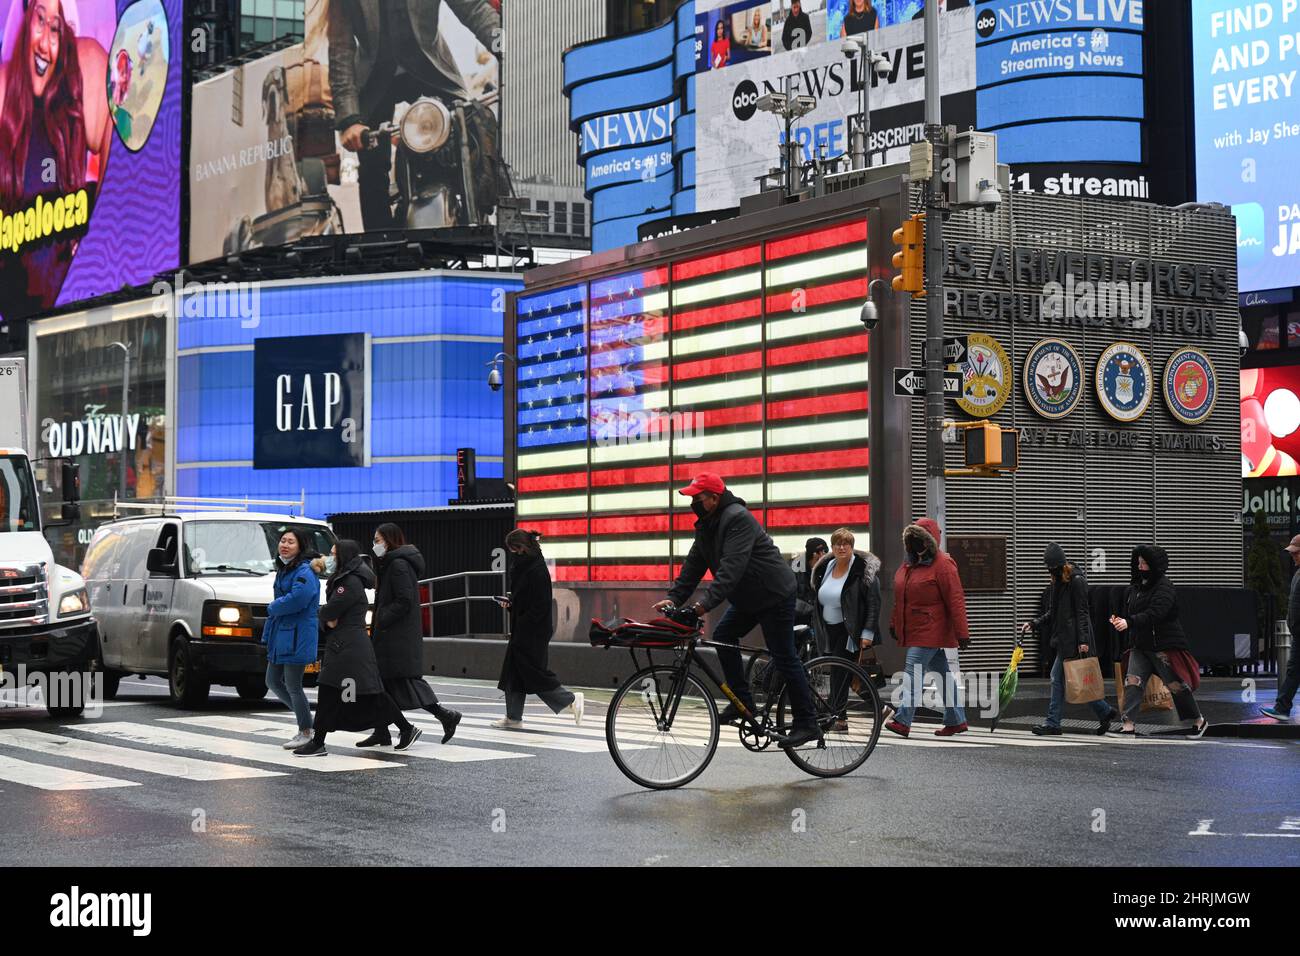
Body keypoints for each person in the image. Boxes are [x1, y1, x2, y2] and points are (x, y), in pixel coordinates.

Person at [655, 473, 822, 748]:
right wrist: (673, 599)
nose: (693, 503)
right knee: (724, 636)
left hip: (773, 593)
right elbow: (693, 567)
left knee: (783, 655)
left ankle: (807, 722)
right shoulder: (708, 524)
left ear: (714, 498)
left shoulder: (737, 518)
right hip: (748, 597)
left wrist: (700, 607)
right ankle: (743, 702)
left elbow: (730, 571)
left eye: (697, 498)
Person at [325, 0, 501, 230]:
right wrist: (350, 120)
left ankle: (476, 208)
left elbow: (475, 9)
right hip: (375, 78)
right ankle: (380, 246)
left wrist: (508, 50)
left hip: (429, 67)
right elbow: (340, 49)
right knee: (372, 166)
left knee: (469, 127)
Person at [0, 0, 112, 317]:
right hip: (14, 315)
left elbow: (119, 136)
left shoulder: (85, 67)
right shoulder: (4, 90)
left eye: (56, 27)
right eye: (39, 20)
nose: (46, 41)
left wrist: (95, 233)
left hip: (77, 302)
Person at [295, 540, 421, 756]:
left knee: (339, 691)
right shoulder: (346, 579)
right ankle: (405, 728)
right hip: (345, 645)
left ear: (343, 556)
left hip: (349, 648)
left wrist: (324, 615)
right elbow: (331, 615)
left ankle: (318, 742)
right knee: (363, 693)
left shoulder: (349, 582)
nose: (329, 558)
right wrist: (328, 617)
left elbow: (331, 611)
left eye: (334, 554)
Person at [355, 523, 461, 747]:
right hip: (392, 634)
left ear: (390, 540)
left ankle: (443, 716)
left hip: (396, 636)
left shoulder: (398, 565)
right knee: (384, 685)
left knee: (400, 684)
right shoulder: (390, 563)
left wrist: (382, 617)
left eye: (378, 540)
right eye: (374, 540)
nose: (375, 544)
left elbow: (405, 600)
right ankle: (383, 731)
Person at [1020, 543, 1120, 736]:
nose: (1050, 571)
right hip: (1065, 640)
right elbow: (1053, 612)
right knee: (1076, 681)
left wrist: (1083, 641)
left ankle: (1053, 723)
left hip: (1075, 640)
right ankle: (1105, 712)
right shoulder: (1058, 581)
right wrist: (1034, 623)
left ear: (1058, 564)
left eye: (1051, 567)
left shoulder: (1076, 581)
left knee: (1060, 679)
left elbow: (1082, 612)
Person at [1110, 546, 1208, 737]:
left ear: (1155, 565)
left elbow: (1156, 613)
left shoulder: (1164, 586)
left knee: (1175, 684)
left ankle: (1199, 720)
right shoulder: (1137, 586)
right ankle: (1128, 724)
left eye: (1144, 563)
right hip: (1141, 644)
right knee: (1132, 682)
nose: (1140, 566)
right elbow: (1136, 612)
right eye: (1138, 562)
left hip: (1162, 645)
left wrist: (1129, 622)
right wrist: (1122, 620)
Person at [886, 518, 970, 737]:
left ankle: (903, 720)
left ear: (929, 541)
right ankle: (956, 720)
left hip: (931, 629)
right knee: (942, 674)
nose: (915, 544)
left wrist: (962, 632)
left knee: (913, 671)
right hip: (919, 629)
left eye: (919, 539)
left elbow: (955, 599)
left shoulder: (943, 565)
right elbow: (901, 598)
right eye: (912, 539)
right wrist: (895, 622)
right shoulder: (910, 564)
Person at [493, 529, 584, 729]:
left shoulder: (536, 569)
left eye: (514, 549)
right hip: (525, 626)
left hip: (532, 630)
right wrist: (511, 604)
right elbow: (526, 599)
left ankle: (570, 699)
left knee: (533, 672)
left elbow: (540, 605)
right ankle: (513, 717)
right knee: (513, 672)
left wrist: (520, 615)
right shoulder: (525, 565)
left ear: (522, 547)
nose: (513, 553)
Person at [810, 528, 882, 732]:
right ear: (832, 547)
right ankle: (881, 709)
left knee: (839, 675)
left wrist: (868, 633)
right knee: (843, 675)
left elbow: (874, 603)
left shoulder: (862, 570)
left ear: (852, 547)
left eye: (846, 544)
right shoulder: (826, 566)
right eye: (837, 544)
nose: (841, 547)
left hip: (849, 630)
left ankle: (836, 719)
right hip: (828, 630)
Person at [262, 529, 320, 749]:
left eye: (290, 542)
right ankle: (307, 723)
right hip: (284, 632)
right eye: (283, 541)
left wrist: (273, 607)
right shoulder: (286, 568)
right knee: (272, 681)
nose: (285, 545)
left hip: (298, 633)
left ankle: (306, 730)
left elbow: (300, 599)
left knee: (293, 685)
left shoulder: (304, 570)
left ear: (300, 547)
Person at [1262, 534, 1300, 721]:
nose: (1293, 557)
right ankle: (1282, 707)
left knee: (1293, 671)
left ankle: (1282, 707)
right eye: (1292, 553)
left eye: (1297, 553)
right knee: (1293, 671)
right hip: (1298, 634)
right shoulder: (1298, 574)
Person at [794, 536, 829, 625]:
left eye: (825, 551)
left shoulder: (828, 567)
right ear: (811, 554)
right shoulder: (796, 568)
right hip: (799, 622)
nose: (823, 555)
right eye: (819, 552)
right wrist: (811, 609)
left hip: (821, 621)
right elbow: (790, 599)